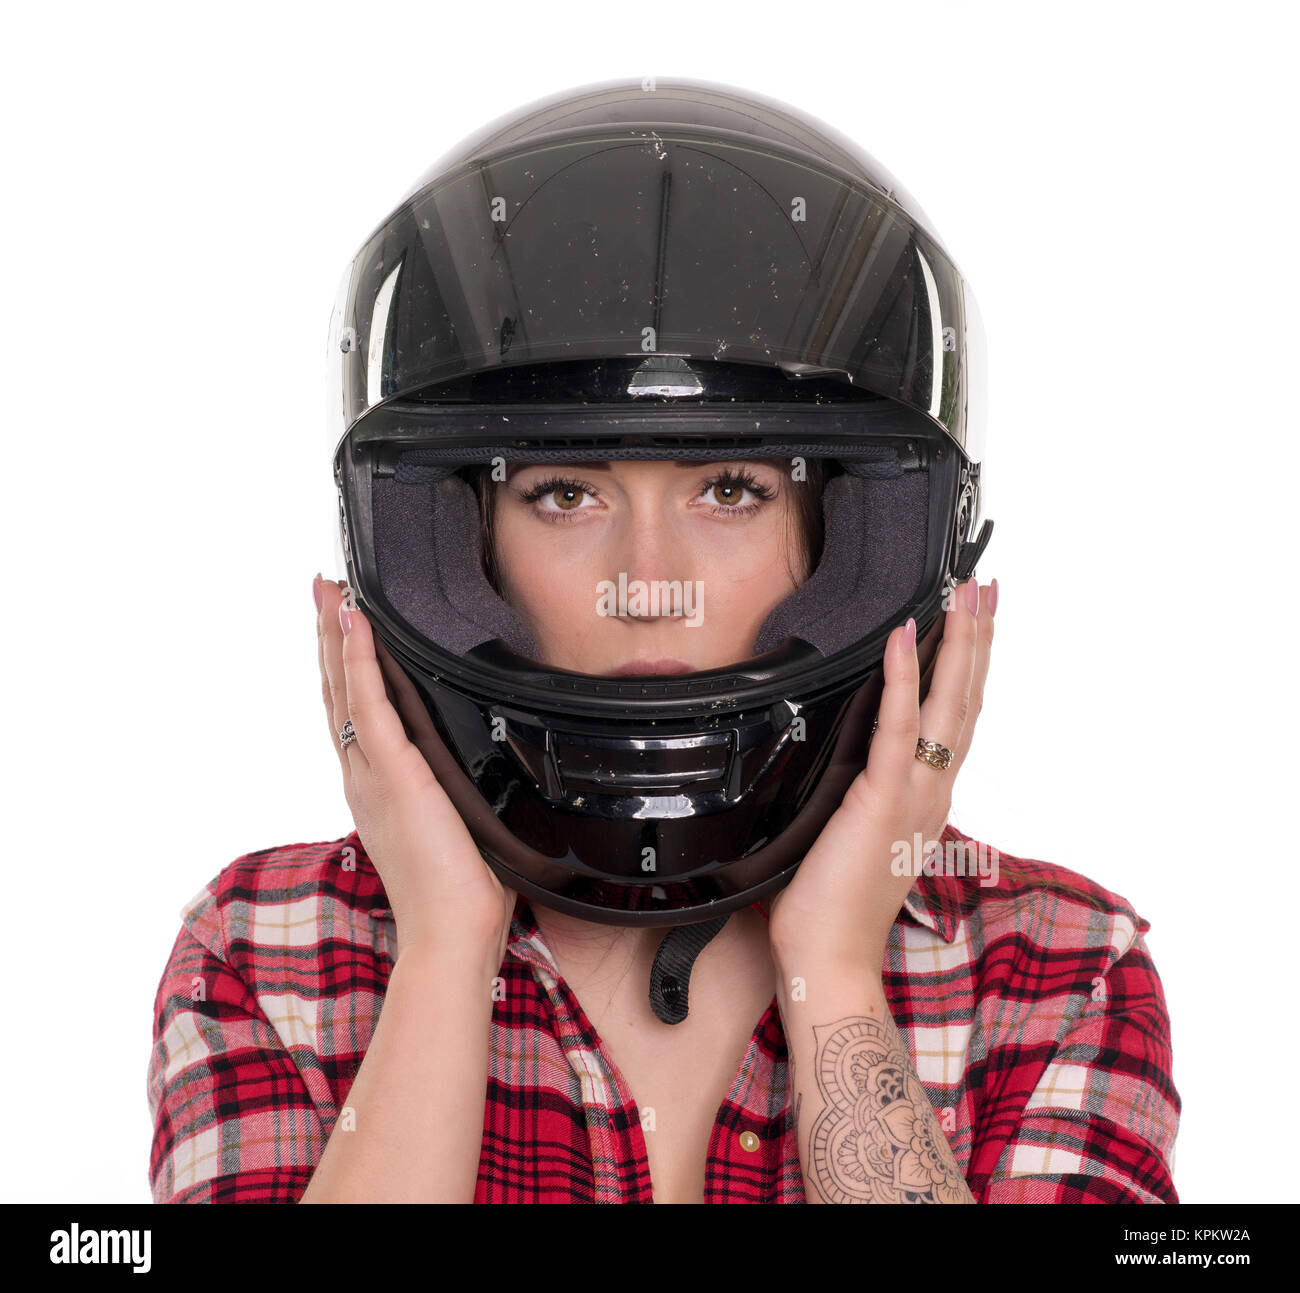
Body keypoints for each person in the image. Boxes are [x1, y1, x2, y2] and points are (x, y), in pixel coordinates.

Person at [148, 79, 1180, 1205]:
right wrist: (444, 948)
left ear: (841, 542)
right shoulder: (269, 951)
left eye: (730, 489)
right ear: (463, 551)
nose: (650, 586)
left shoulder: (1055, 966)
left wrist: (832, 971)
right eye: (562, 495)